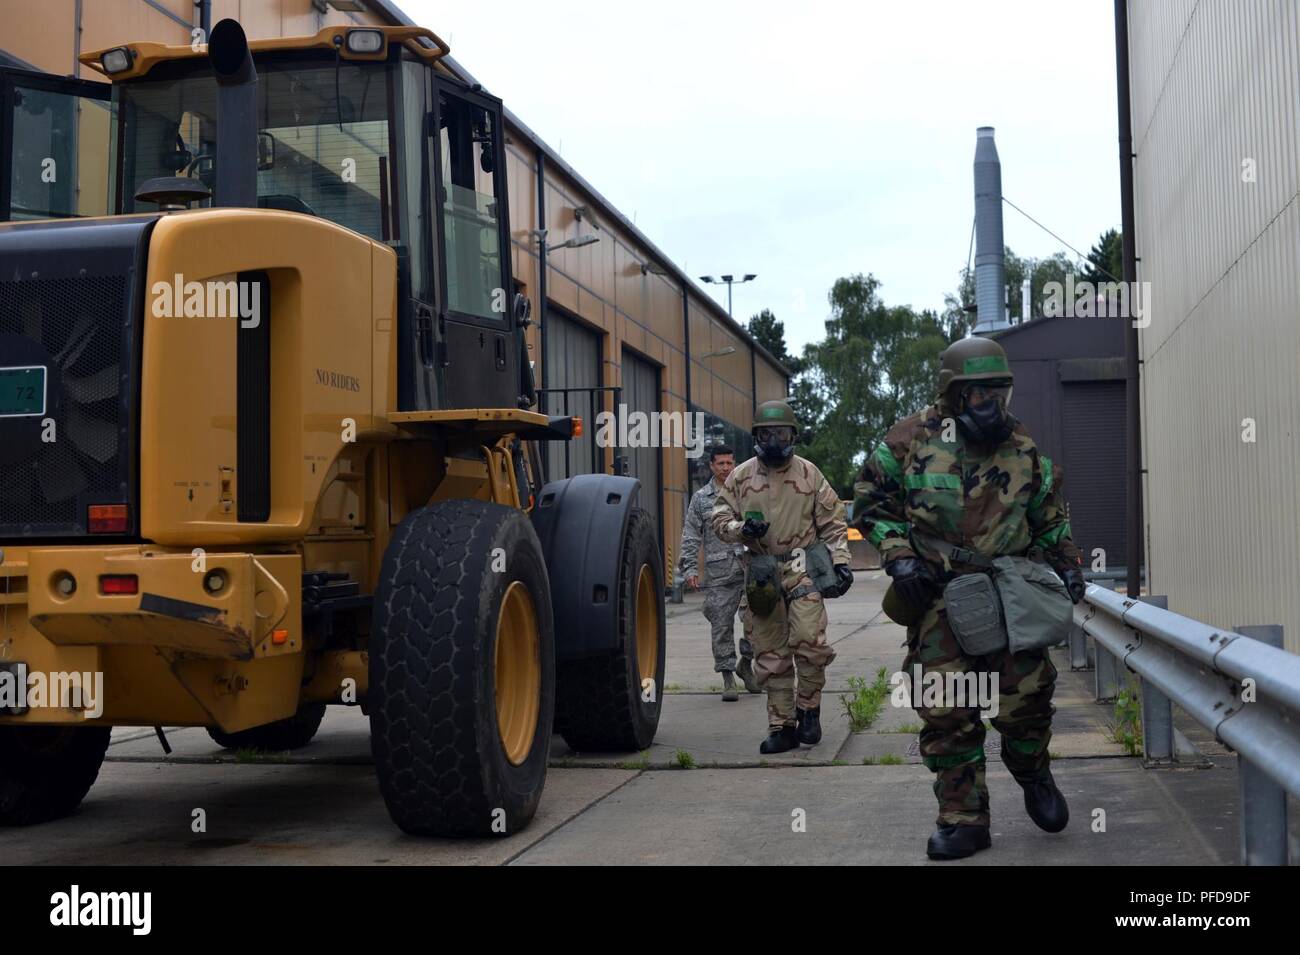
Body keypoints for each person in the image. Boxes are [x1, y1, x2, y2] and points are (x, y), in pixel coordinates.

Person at [852, 336, 1086, 860]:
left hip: (1010, 593)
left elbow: (1049, 518)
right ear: (952, 392)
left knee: (1025, 702)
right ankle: (963, 819)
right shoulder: (908, 440)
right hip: (939, 597)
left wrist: (1068, 568)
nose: (989, 405)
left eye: (997, 393)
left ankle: (1032, 771)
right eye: (977, 394)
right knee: (946, 708)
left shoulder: (1021, 446)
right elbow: (869, 503)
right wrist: (899, 555)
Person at [711, 400, 853, 753]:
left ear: (793, 435)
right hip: (761, 570)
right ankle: (781, 726)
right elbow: (718, 520)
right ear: (756, 435)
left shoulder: (809, 474)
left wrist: (841, 561)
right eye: (767, 433)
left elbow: (834, 523)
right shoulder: (740, 476)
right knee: (770, 652)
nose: (774, 440)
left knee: (810, 642)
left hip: (803, 566)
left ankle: (809, 710)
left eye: (781, 433)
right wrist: (743, 528)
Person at [679, 445, 760, 701]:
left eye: (729, 463)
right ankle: (727, 677)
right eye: (720, 464)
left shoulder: (747, 491)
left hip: (750, 568)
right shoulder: (702, 498)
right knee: (721, 626)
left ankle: (746, 665)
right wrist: (690, 567)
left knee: (757, 623)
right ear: (712, 466)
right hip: (720, 573)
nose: (725, 468)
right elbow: (691, 535)